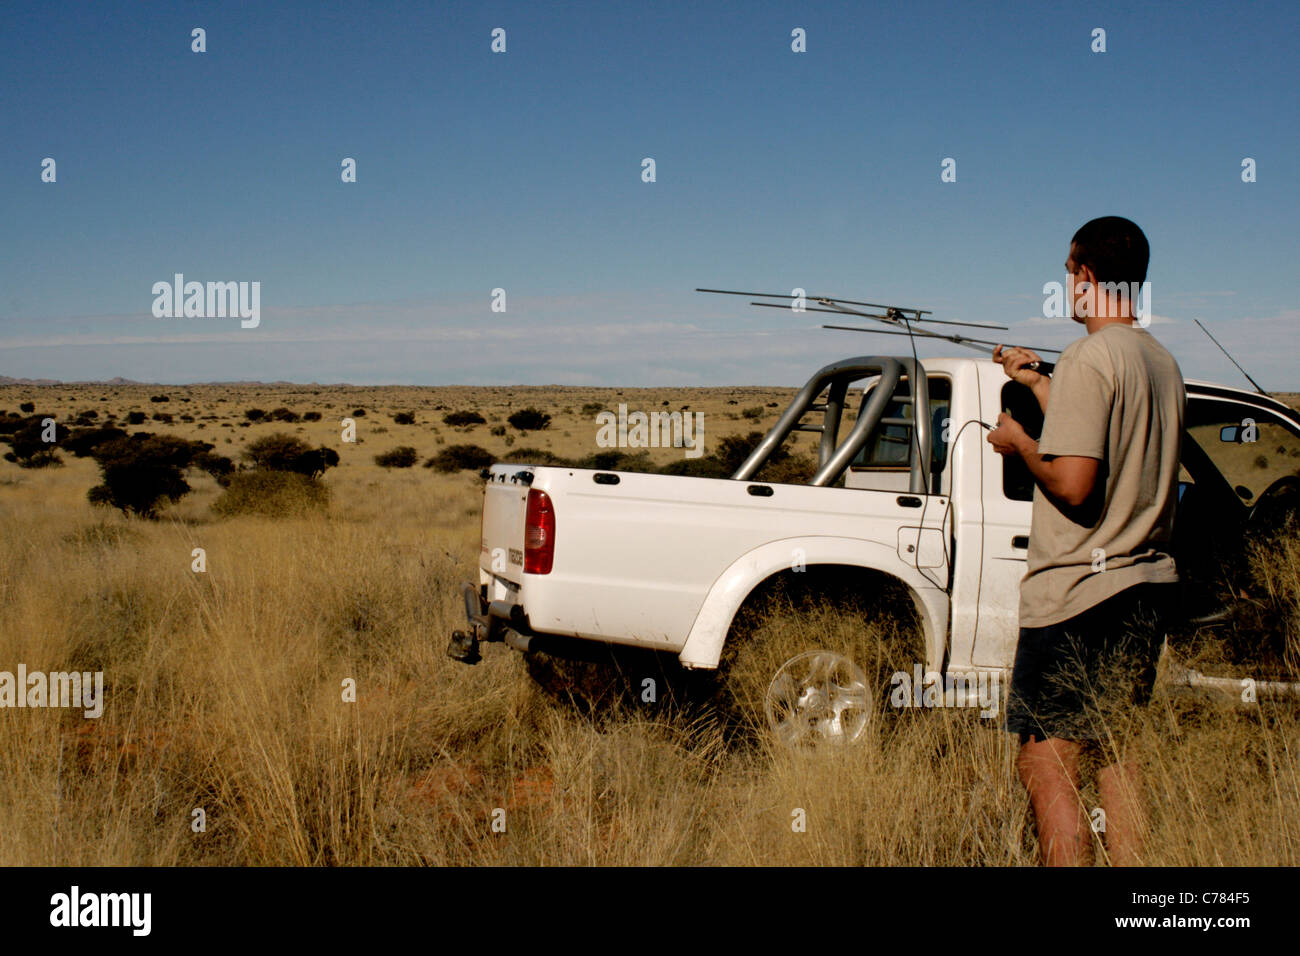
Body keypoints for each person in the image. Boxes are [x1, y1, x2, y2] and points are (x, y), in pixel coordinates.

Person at [986, 216, 1185, 866]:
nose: (1065, 284)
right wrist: (1039, 382)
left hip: (1078, 597)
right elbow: (1111, 434)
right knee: (1117, 758)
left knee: (1049, 761)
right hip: (1144, 591)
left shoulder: (1090, 358)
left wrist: (1019, 442)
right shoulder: (1159, 361)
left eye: (1068, 272)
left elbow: (1073, 483)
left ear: (1086, 275)